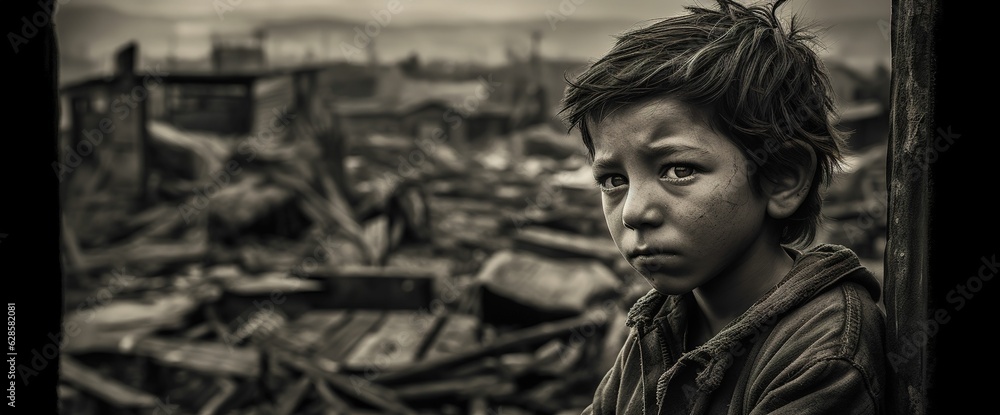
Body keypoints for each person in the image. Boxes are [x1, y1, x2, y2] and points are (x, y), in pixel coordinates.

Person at [559, 0, 887, 413]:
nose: (633, 212)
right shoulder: (660, 326)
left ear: (782, 179)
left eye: (678, 170)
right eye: (613, 181)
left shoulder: (823, 350)